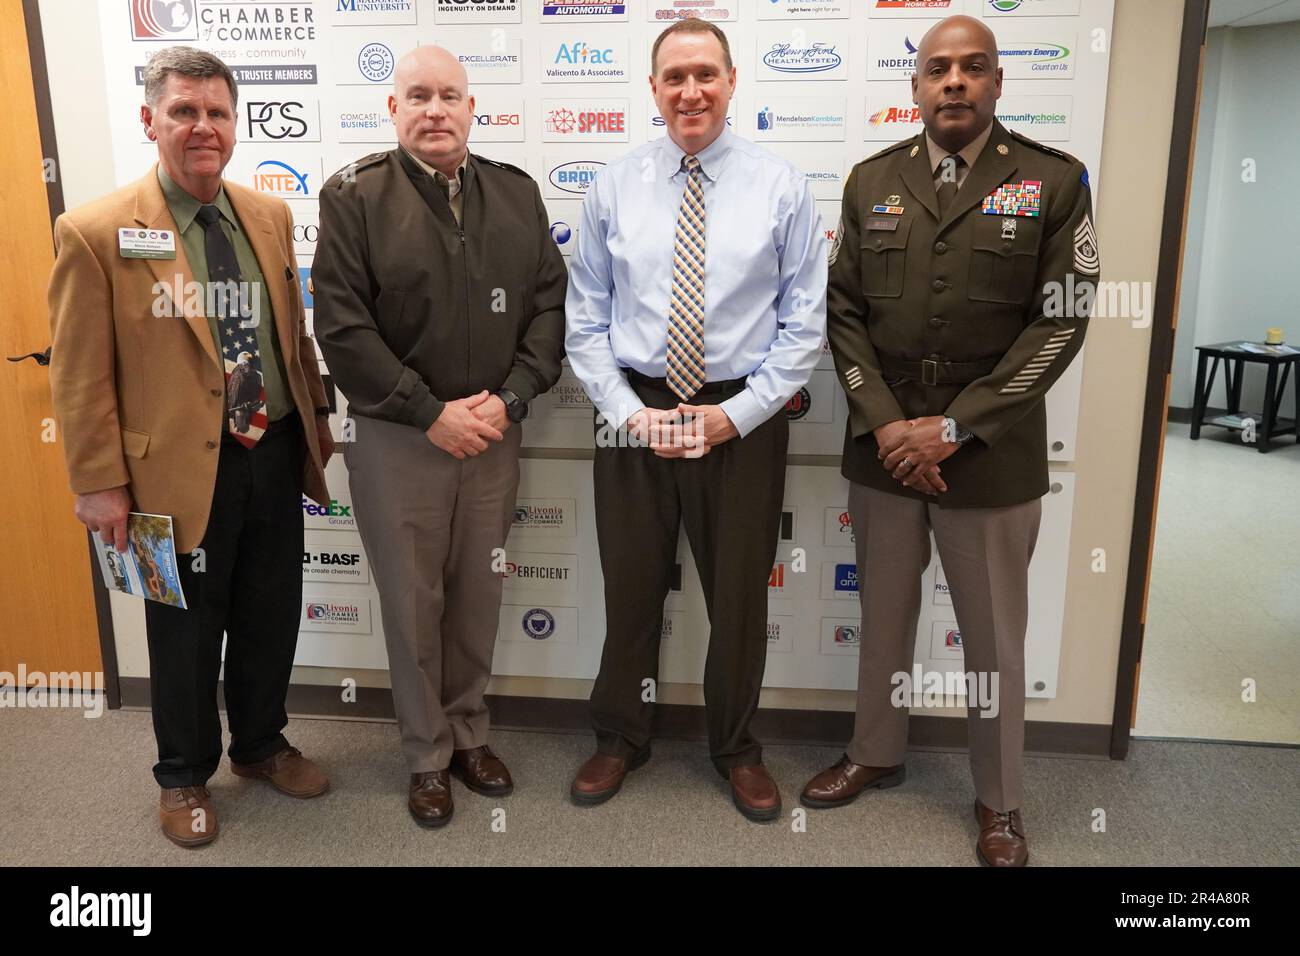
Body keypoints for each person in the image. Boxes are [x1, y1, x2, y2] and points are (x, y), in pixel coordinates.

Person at [804, 15, 1099, 866]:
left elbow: (1064, 319)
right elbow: (844, 311)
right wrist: (888, 421)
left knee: (994, 640)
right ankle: (874, 751)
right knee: (883, 617)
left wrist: (956, 426)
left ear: (1000, 81)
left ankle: (1000, 801)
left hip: (990, 458)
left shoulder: (1053, 180)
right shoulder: (872, 182)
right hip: (885, 450)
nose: (955, 83)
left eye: (974, 68)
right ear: (917, 87)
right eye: (938, 70)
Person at [47, 46, 335, 848]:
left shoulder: (267, 214)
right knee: (182, 631)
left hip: (271, 450)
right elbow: (78, 373)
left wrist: (314, 423)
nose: (202, 126)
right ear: (150, 120)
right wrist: (99, 481)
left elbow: (290, 336)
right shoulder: (97, 231)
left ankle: (259, 743)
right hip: (166, 472)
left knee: (271, 612)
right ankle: (181, 777)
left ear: (234, 123)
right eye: (184, 111)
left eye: (216, 112)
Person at [565, 19, 827, 822]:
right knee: (631, 588)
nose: (691, 91)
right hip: (634, 413)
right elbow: (586, 322)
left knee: (740, 598)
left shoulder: (780, 186)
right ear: (652, 88)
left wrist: (735, 416)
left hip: (743, 416)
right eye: (674, 76)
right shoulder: (613, 187)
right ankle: (620, 737)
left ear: (732, 80)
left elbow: (803, 325)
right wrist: (629, 416)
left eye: (706, 74)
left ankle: (737, 747)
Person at [312, 46, 567, 829]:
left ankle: (467, 734)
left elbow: (549, 310)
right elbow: (343, 327)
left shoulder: (517, 195)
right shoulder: (355, 196)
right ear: (393, 110)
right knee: (413, 603)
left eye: (448, 96)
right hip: (400, 441)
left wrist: (515, 397)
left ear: (470, 105)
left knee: (478, 596)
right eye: (417, 95)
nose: (434, 110)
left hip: (494, 435)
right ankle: (426, 755)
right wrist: (430, 412)